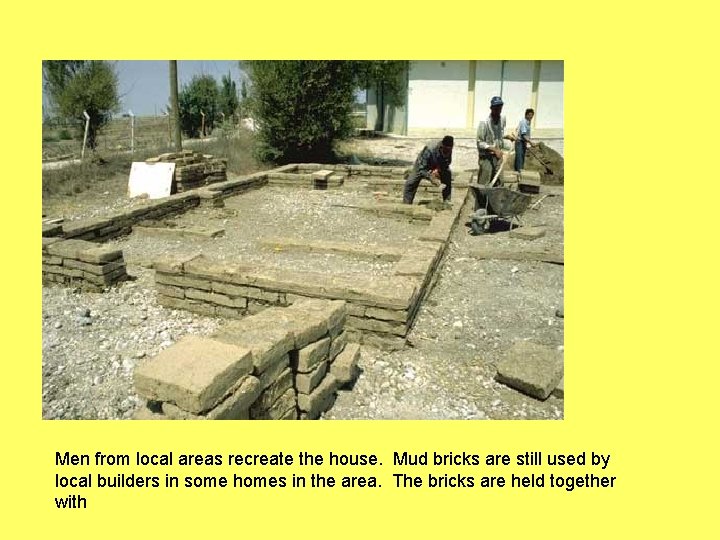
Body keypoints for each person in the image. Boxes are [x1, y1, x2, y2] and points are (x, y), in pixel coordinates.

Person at [403, 135, 454, 205]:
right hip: (422, 164)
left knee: (447, 174)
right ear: (442, 146)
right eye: (445, 151)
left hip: (437, 163)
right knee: (410, 183)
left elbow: (447, 163)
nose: (447, 153)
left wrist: (438, 169)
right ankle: (407, 204)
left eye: (449, 151)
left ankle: (447, 201)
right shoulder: (429, 149)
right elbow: (422, 169)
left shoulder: (449, 149)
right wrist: (431, 178)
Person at [476, 96, 514, 186]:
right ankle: (482, 199)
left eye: (500, 107)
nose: (498, 110)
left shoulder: (502, 119)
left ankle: (496, 199)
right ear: (491, 108)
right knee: (484, 182)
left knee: (499, 181)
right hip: (486, 157)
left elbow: (497, 136)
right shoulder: (484, 123)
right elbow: (480, 143)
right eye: (496, 107)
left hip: (498, 157)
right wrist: (494, 150)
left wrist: (507, 136)